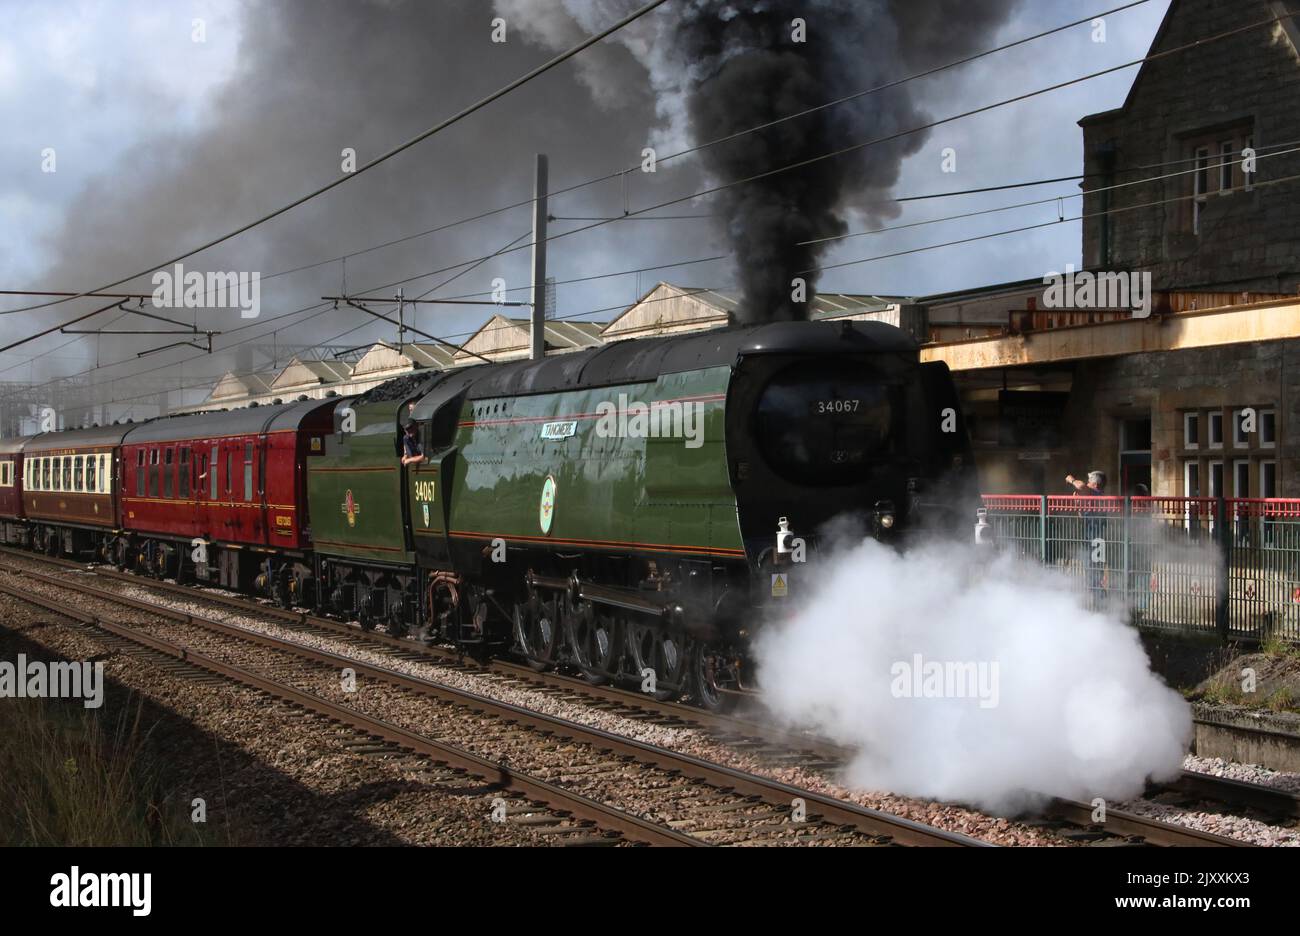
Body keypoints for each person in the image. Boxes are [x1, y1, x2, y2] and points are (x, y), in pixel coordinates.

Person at [1065, 470, 1108, 606]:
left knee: (1094, 575)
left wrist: (1071, 479)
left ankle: (1101, 604)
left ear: (1094, 484)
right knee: (1092, 574)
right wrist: (1078, 504)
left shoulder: (1095, 493)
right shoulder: (1096, 495)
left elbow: (1081, 486)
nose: (1087, 483)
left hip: (1096, 541)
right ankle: (1099, 604)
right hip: (1093, 539)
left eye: (1089, 481)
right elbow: (1082, 516)